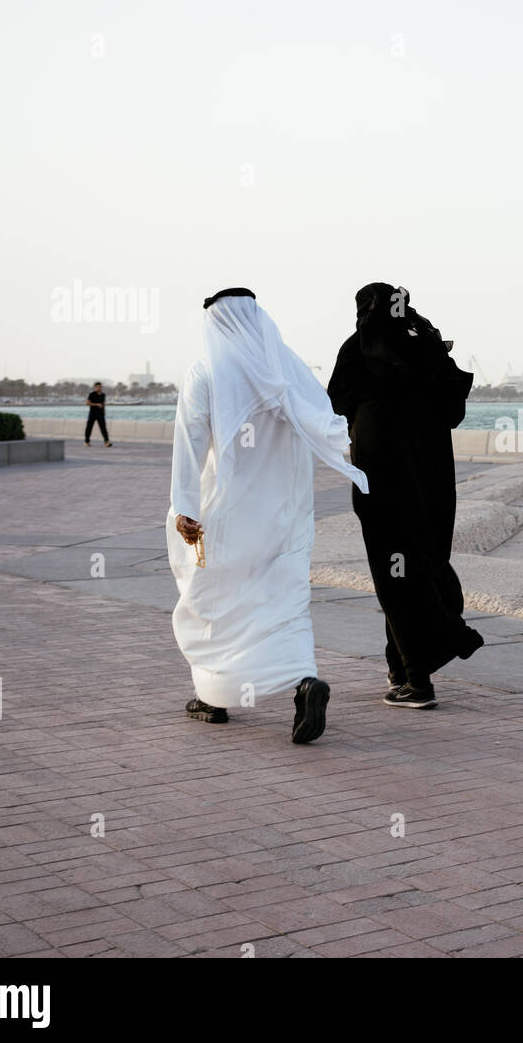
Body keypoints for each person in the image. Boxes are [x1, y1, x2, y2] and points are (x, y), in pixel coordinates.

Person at [168, 288, 368, 743]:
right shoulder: (289, 369)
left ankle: (213, 698)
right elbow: (326, 423)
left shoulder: (205, 373)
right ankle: (304, 682)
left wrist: (185, 508)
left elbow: (190, 445)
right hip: (286, 515)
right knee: (285, 601)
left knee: (214, 601)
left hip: (227, 513)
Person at [328, 282, 483, 710]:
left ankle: (419, 678)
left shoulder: (360, 347)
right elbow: (453, 409)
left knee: (394, 573)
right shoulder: (426, 346)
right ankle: (400, 669)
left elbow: (335, 402)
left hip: (383, 480)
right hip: (432, 480)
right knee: (425, 563)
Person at [85, 382, 112, 446]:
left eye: (100, 387)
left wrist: (104, 411)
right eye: (97, 387)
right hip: (92, 414)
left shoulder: (103, 394)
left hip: (101, 414)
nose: (99, 388)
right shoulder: (91, 394)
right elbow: (87, 403)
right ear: (95, 387)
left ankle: (106, 442)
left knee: (103, 428)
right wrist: (96, 404)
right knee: (89, 427)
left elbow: (103, 403)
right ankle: (87, 441)